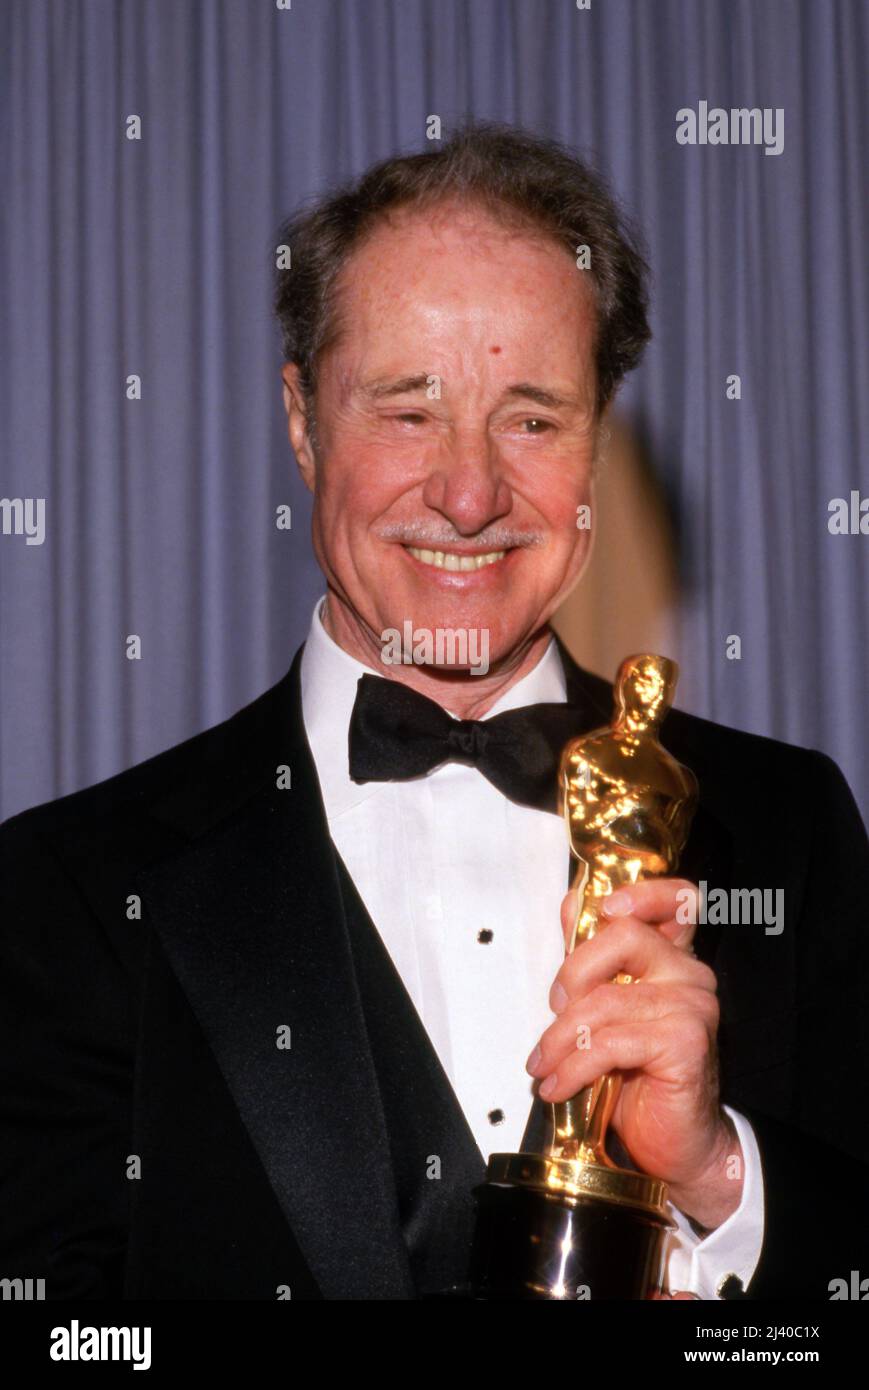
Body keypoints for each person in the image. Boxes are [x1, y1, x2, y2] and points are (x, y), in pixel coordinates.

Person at [1, 122, 867, 1301]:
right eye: (407, 411)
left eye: (530, 417)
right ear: (302, 423)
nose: (468, 493)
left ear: (597, 441)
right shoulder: (67, 891)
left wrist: (719, 1179)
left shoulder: (787, 830)